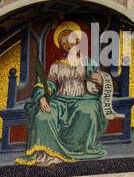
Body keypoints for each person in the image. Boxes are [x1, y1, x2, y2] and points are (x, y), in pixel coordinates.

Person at [16, 21, 111, 166]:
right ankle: (48, 153)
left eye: (71, 42)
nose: (68, 46)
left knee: (88, 111)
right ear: (61, 45)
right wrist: (42, 97)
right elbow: (50, 84)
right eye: (64, 43)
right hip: (60, 100)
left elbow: (97, 81)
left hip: (83, 98)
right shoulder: (56, 66)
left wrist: (102, 80)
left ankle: (80, 150)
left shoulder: (87, 62)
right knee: (43, 115)